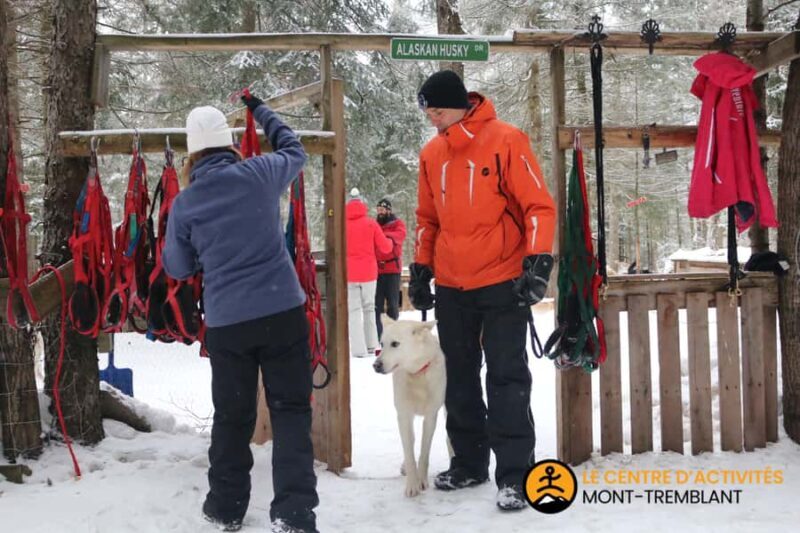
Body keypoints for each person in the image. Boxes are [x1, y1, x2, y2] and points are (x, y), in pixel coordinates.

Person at [163, 94, 318, 533]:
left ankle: (226, 507)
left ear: (193, 152)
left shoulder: (186, 205)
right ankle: (294, 513)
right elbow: (295, 149)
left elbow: (176, 266)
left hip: (229, 321)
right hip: (282, 310)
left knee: (232, 417)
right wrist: (260, 110)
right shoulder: (260, 173)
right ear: (230, 144)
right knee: (290, 412)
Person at [409, 70, 556, 511]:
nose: (431, 116)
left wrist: (538, 261)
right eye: (426, 110)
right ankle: (469, 463)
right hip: (453, 284)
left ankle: (515, 475)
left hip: (502, 279)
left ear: (459, 103)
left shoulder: (507, 139)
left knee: (507, 377)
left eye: (436, 108)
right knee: (459, 376)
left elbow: (538, 206)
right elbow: (426, 220)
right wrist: (420, 268)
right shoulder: (432, 153)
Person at [346, 188, 393, 357]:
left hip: (349, 274)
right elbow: (386, 248)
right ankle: (372, 344)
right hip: (368, 273)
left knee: (353, 311)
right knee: (369, 309)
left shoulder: (342, 224)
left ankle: (358, 350)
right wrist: (390, 241)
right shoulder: (370, 223)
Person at [374, 197, 407, 340]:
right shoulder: (375, 225)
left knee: (393, 305)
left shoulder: (397, 224)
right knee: (377, 306)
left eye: (383, 210)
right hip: (377, 270)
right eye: (378, 210)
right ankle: (378, 335)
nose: (380, 213)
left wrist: (382, 236)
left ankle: (393, 334)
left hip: (392, 270)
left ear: (388, 210)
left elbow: (400, 235)